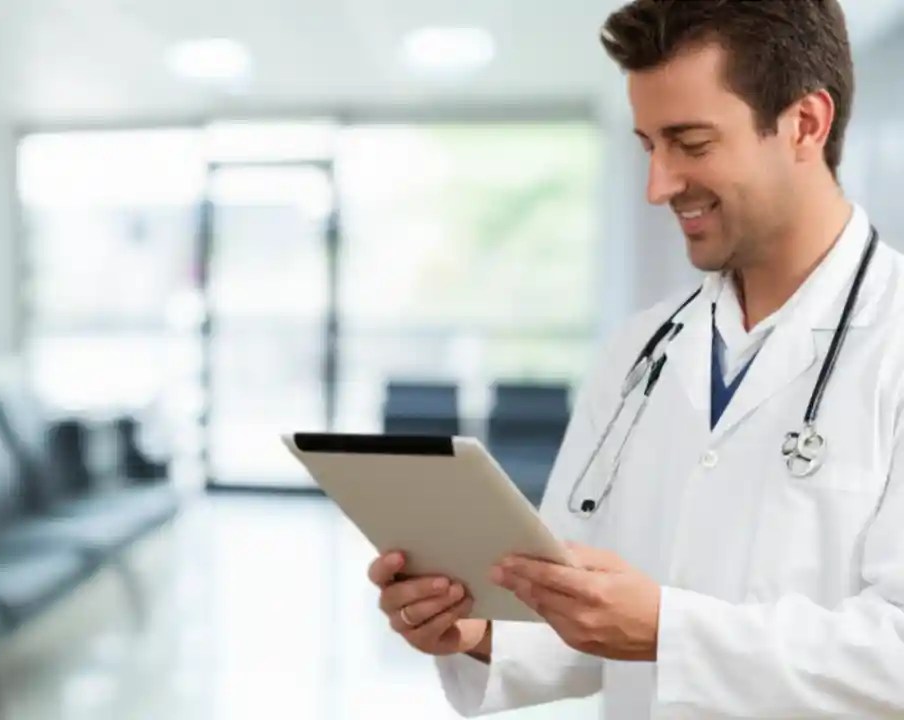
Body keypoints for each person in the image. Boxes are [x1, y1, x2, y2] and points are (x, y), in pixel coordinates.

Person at [367, 1, 904, 717]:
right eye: (649, 144)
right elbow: (579, 603)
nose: (659, 184)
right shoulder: (640, 353)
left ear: (805, 123)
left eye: (691, 142)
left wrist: (666, 629)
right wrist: (473, 630)